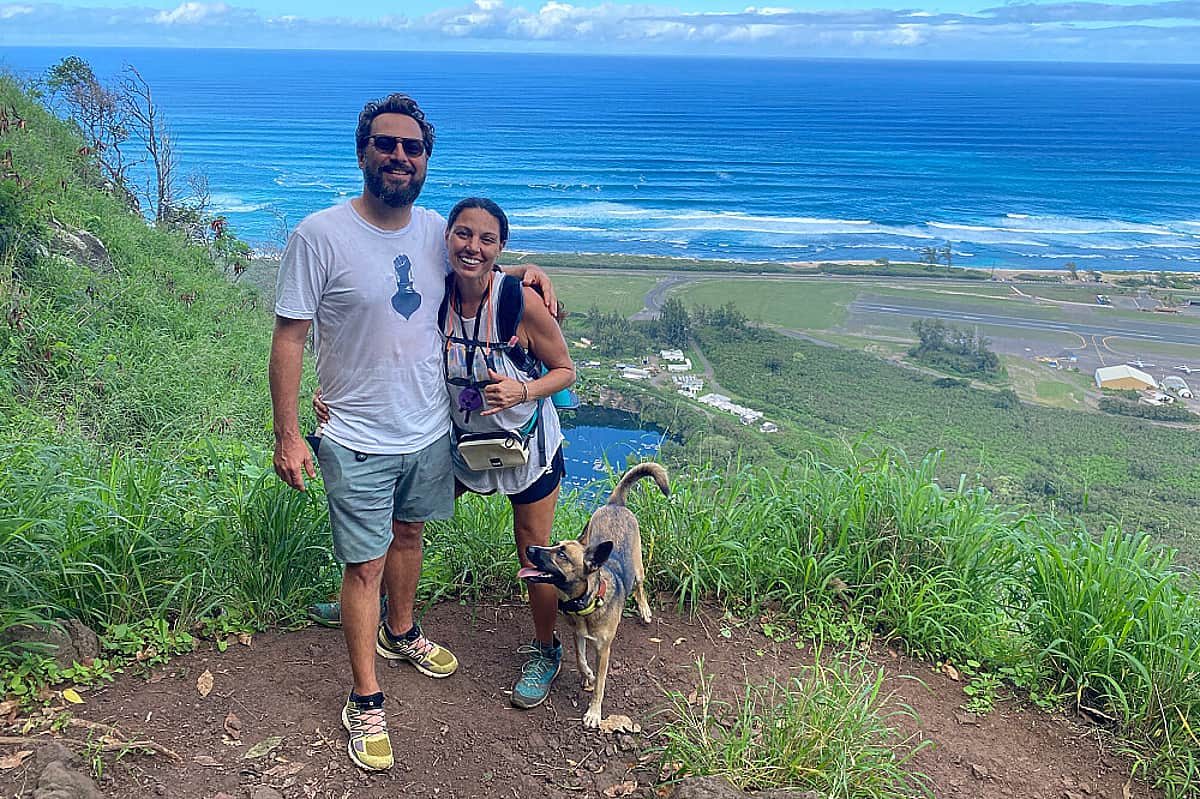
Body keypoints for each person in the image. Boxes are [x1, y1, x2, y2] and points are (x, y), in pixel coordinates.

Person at [269, 93, 555, 773]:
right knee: (362, 564)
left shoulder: (433, 228)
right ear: (363, 149)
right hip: (356, 432)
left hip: (428, 428)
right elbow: (290, 336)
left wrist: (532, 274)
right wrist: (288, 433)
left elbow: (479, 258)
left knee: (408, 536)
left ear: (426, 160)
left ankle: (403, 631)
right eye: (386, 143)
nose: (399, 155)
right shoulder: (320, 233)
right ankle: (366, 696)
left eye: (413, 147)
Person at [315, 197, 576, 711]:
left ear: (501, 247)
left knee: (534, 552)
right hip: (460, 441)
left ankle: (547, 650)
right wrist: (336, 392)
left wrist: (521, 392)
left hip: (526, 446)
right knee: (403, 522)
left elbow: (565, 369)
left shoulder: (517, 302)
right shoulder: (436, 288)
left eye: (486, 239)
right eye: (462, 234)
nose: (472, 247)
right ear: (446, 239)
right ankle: (377, 606)